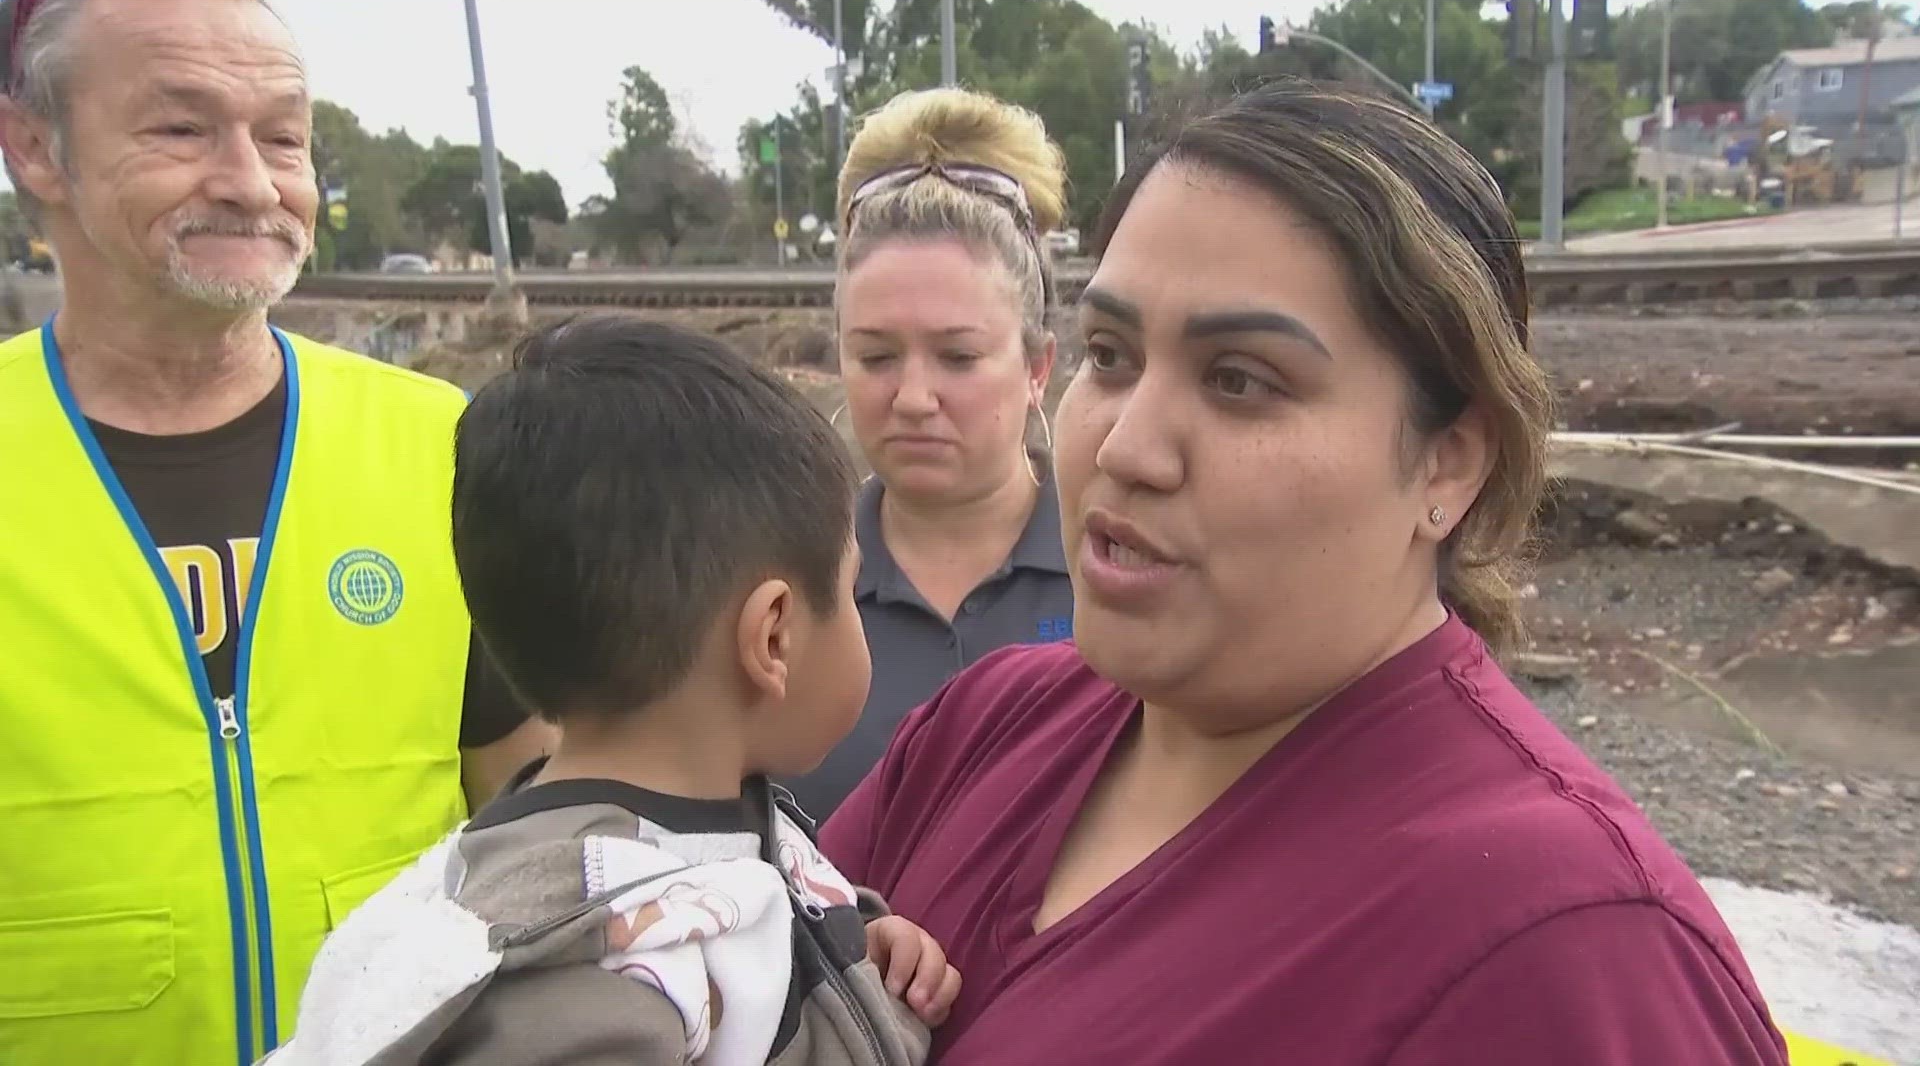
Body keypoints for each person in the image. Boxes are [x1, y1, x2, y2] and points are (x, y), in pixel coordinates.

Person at [820, 81, 1790, 1065]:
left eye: (1241, 380)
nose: (1126, 448)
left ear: (1447, 462)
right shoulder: (980, 727)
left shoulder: (1573, 949)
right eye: (1110, 357)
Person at [0, 0, 546, 1065]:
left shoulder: (442, 449)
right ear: (34, 148)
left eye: (284, 137)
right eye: (181, 128)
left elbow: (538, 806)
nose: (253, 184)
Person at [272, 316, 957, 1066]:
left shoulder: (702, 814)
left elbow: (763, 917)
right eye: (851, 591)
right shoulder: (584, 1004)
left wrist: (856, 954)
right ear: (773, 637)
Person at [783, 88, 1076, 818]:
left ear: (1038, 366)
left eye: (958, 356)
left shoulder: (1120, 569)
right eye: (877, 357)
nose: (914, 396)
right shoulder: (784, 592)